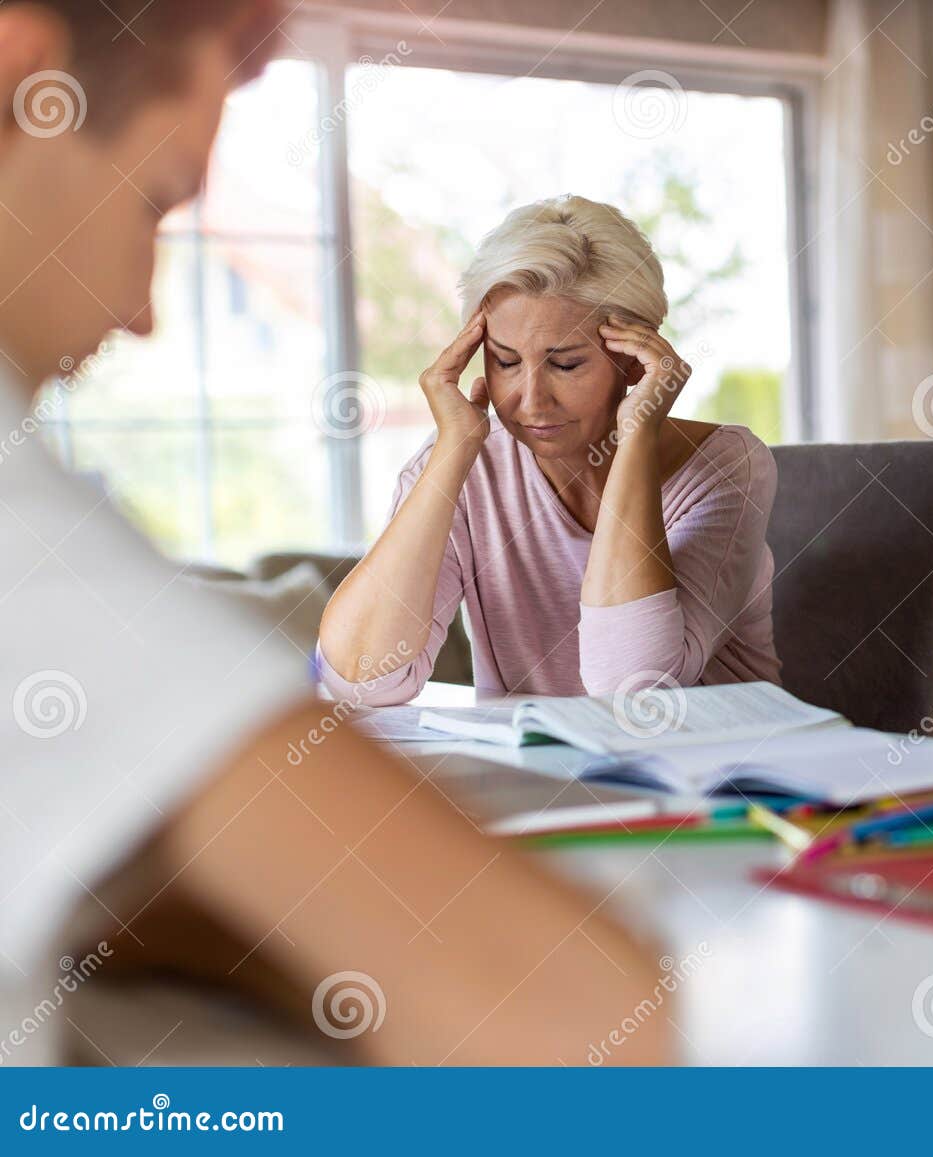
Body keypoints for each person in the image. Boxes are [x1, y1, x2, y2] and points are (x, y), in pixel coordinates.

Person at [0, 0, 667, 1065]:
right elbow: (585, 1020)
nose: (142, 311)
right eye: (156, 199)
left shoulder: (713, 471)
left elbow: (640, 687)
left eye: (570, 360)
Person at [316, 196, 779, 706]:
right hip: (540, 778)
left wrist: (637, 435)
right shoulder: (467, 461)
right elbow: (360, 681)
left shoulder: (728, 465)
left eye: (566, 365)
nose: (531, 402)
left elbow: (631, 688)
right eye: (506, 361)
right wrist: (450, 454)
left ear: (632, 363)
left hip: (723, 775)